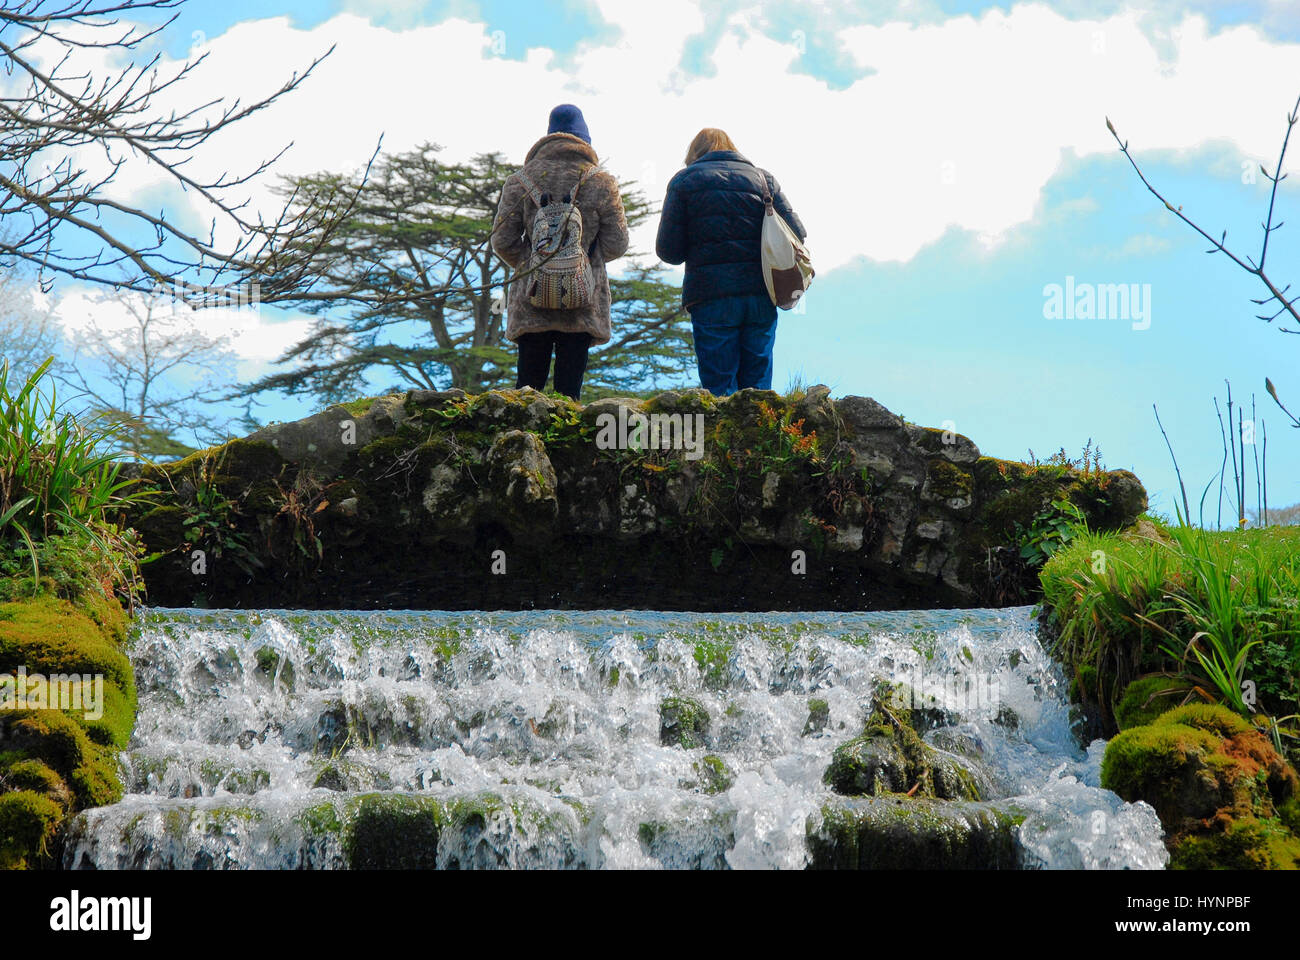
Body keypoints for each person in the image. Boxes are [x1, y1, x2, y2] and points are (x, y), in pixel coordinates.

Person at [491, 104, 629, 400]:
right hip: (582, 298)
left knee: (527, 392)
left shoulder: (520, 181)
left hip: (532, 298)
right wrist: (584, 260)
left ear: (547, 136)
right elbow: (617, 242)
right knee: (569, 395)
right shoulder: (601, 181)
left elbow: (502, 240)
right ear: (585, 140)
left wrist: (534, 262)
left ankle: (523, 442)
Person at [655, 128, 806, 396]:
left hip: (711, 296)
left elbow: (669, 251)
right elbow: (798, 234)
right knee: (758, 390)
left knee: (719, 388)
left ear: (694, 153)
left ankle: (722, 438)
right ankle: (759, 435)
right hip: (761, 295)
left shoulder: (684, 182)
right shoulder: (764, 180)